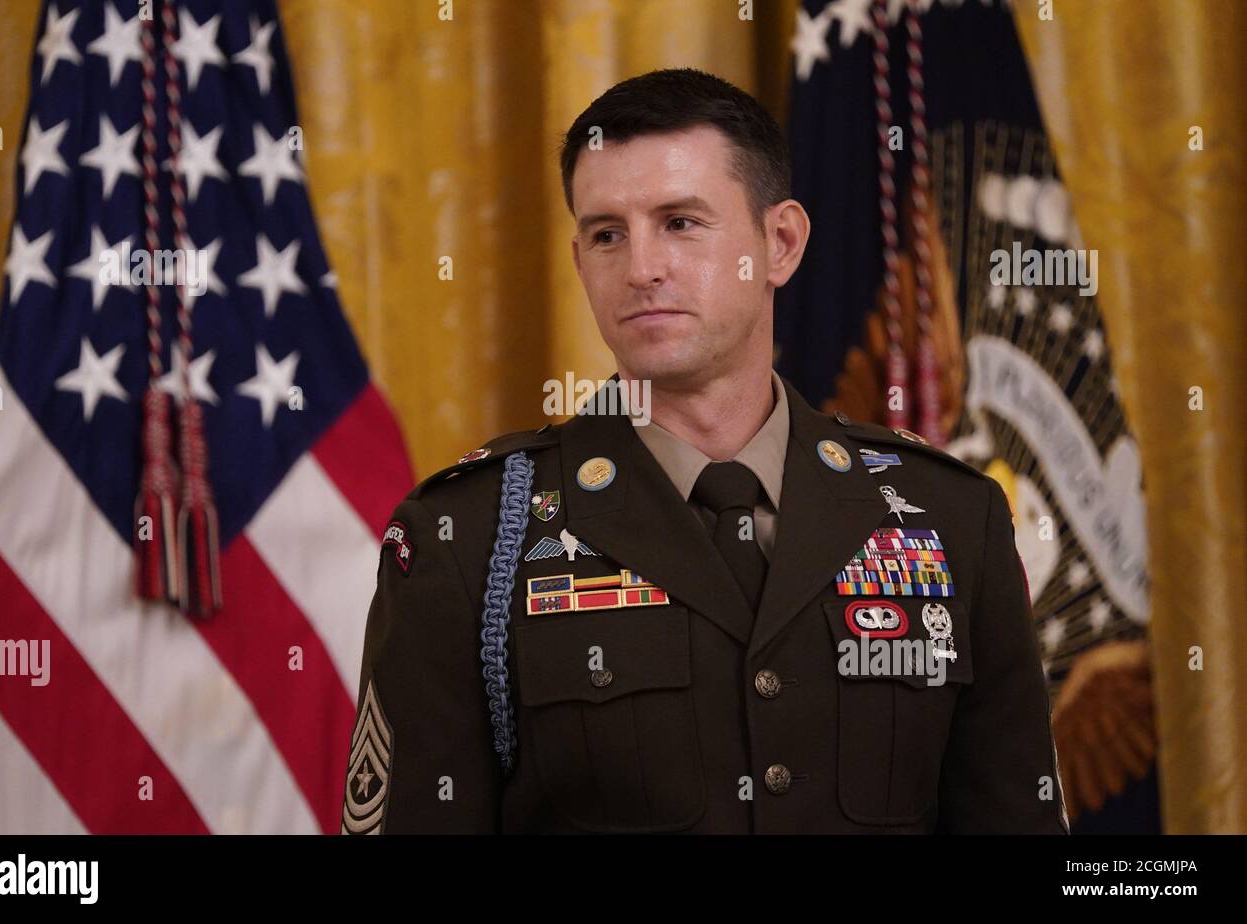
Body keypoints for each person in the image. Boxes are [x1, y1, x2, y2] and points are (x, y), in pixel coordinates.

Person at [341, 67, 1069, 834]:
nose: (642, 267)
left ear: (780, 243)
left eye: (680, 222)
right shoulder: (470, 537)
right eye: (606, 234)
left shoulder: (952, 517)